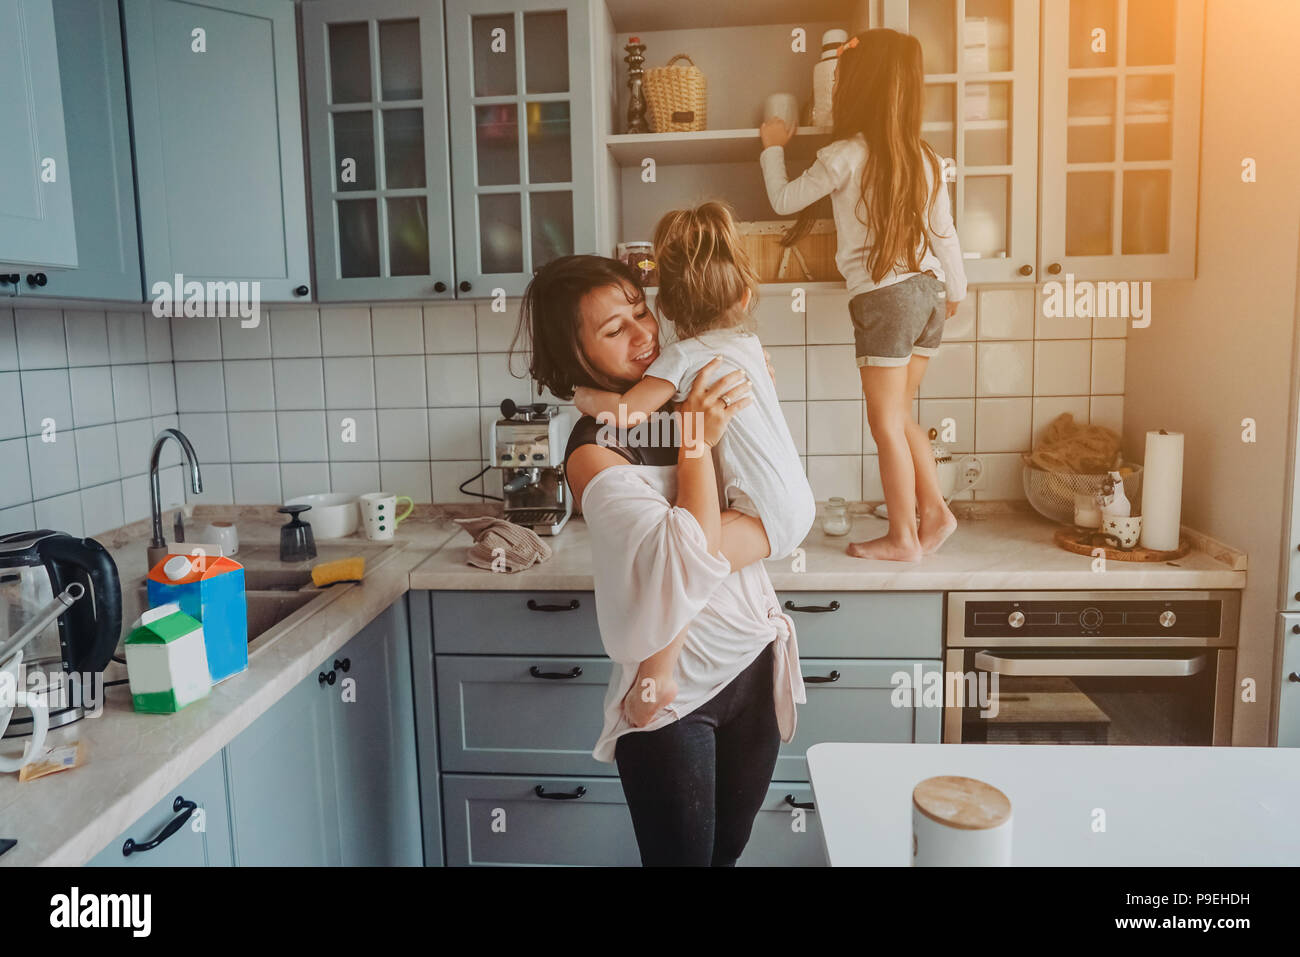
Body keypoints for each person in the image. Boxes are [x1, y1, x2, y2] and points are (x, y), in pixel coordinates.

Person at [514, 254, 807, 867]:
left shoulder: (685, 394)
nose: (644, 334)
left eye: (641, 311)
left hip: (751, 660)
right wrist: (699, 443)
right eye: (614, 330)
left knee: (727, 853)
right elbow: (688, 554)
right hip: (671, 696)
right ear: (576, 353)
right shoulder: (594, 452)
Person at [571, 202, 816, 717]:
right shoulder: (748, 344)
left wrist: (587, 400)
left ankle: (656, 676)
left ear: (670, 309)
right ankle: (658, 675)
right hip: (793, 503)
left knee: (683, 568)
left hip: (765, 513)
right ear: (746, 296)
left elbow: (628, 414)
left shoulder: (682, 357)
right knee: (689, 563)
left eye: (642, 314)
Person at [759, 28, 968, 562]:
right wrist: (957, 290)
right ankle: (937, 514)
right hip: (929, 294)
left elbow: (784, 200)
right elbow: (944, 231)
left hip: (885, 299)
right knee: (901, 416)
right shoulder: (925, 157)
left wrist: (772, 150)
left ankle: (903, 537)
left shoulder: (844, 154)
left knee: (884, 426)